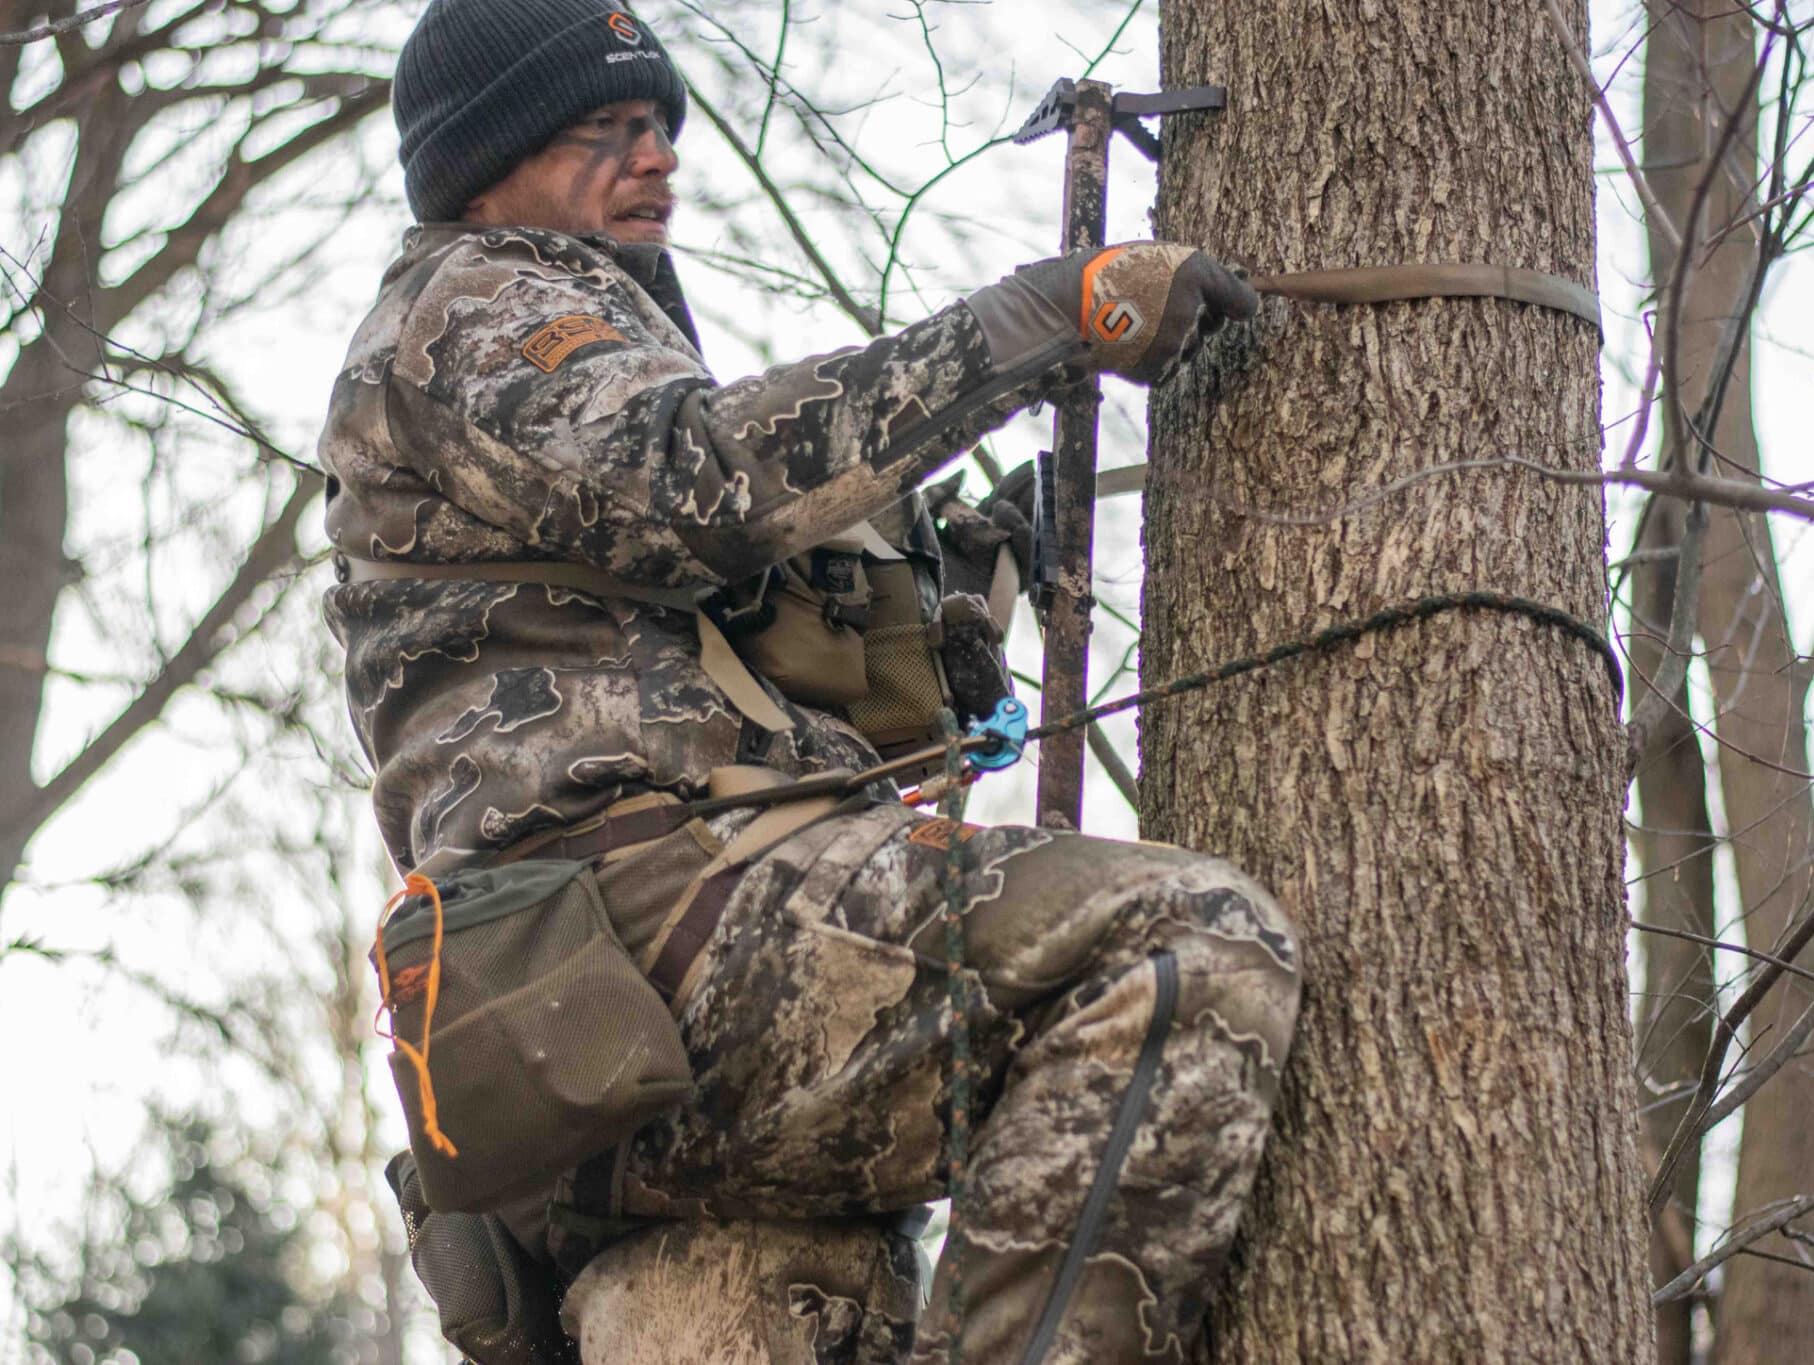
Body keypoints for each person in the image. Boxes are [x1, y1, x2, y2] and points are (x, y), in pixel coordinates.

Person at [321, 1, 1301, 1360]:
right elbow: (705, 475)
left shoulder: (569, 358)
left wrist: (936, 615)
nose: (655, 157)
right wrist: (1041, 318)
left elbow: (716, 608)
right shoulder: (477, 308)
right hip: (652, 936)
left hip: (614, 1017)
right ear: (485, 165)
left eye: (660, 125)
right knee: (1185, 941)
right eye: (604, 129)